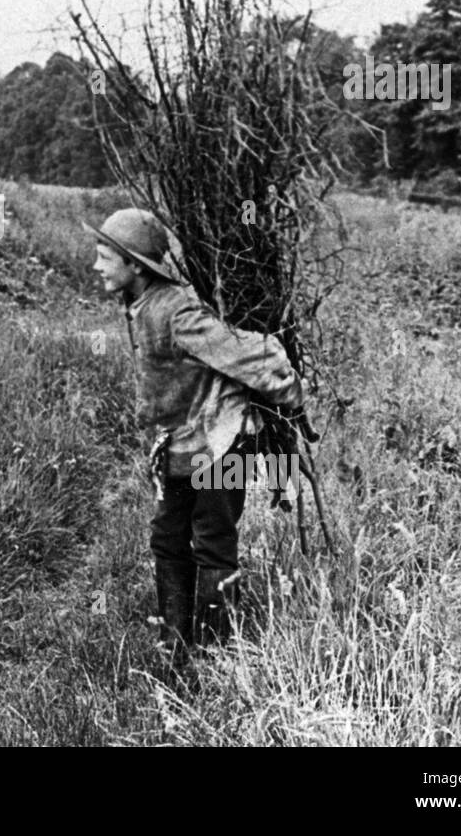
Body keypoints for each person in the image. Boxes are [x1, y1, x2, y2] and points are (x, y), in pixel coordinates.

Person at [88, 208, 305, 660]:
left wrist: (289, 390)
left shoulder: (177, 309)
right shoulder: (142, 305)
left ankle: (214, 654)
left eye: (105, 256)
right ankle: (174, 641)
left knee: (212, 540)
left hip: (223, 442)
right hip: (185, 441)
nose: (96, 266)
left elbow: (243, 352)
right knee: (167, 536)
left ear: (135, 265)